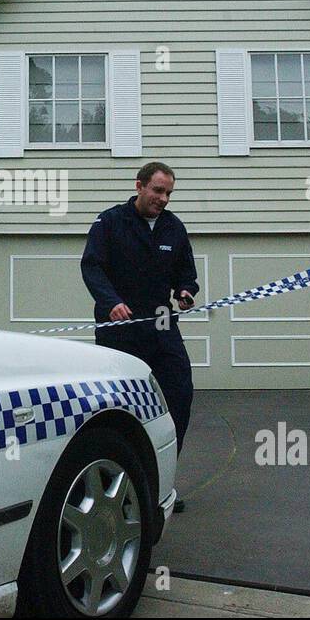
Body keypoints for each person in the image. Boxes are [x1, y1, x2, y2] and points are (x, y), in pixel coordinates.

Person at [81, 162, 198, 510]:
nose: (163, 199)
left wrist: (185, 292)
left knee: (179, 394)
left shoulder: (174, 228)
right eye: (158, 191)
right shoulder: (110, 222)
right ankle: (114, 485)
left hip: (161, 324)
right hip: (120, 328)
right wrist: (111, 301)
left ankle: (161, 483)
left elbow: (186, 275)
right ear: (140, 186)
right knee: (120, 408)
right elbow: (92, 266)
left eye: (168, 194)